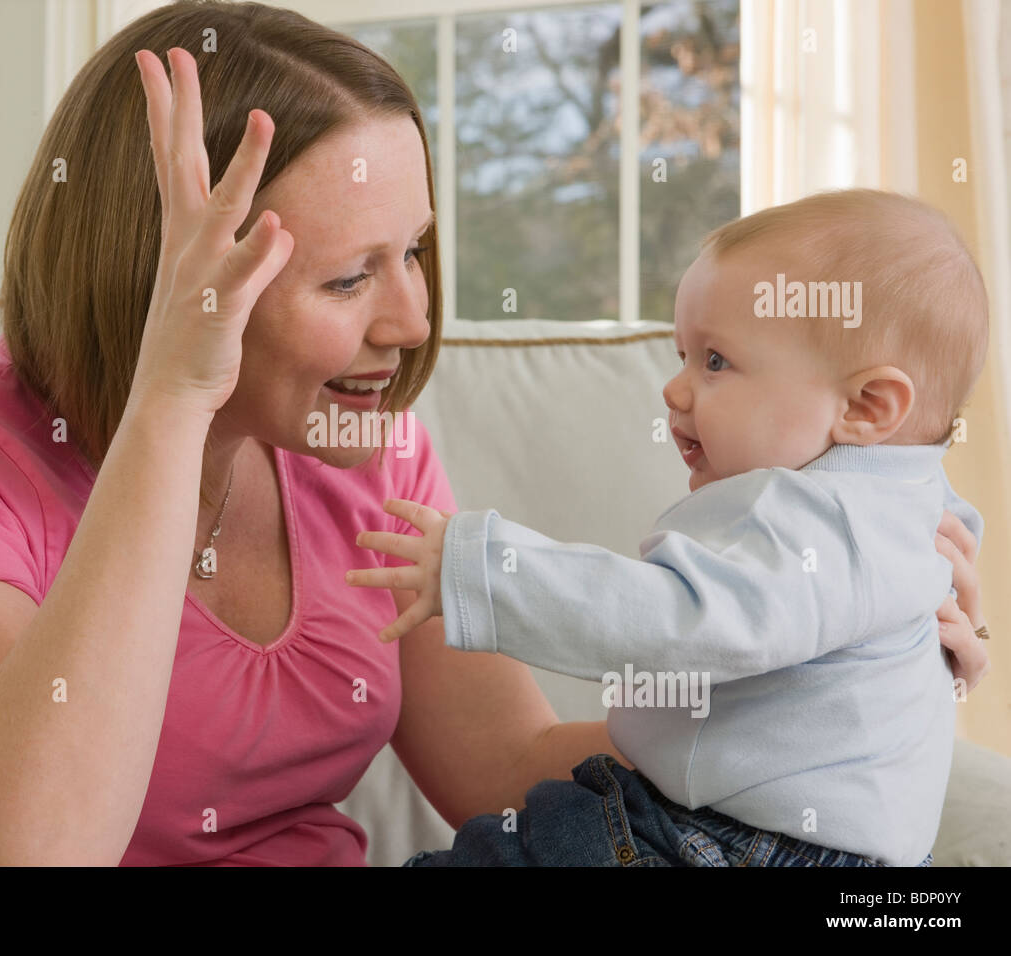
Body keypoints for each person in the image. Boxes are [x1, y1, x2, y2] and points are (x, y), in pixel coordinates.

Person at [0, 1, 990, 866]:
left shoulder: (372, 454)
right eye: (347, 278)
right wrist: (172, 405)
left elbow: (498, 762)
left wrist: (830, 671)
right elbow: (19, 853)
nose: (415, 318)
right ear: (165, 283)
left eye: (414, 252)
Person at [350, 189, 992, 867]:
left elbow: (677, 619)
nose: (674, 391)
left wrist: (484, 569)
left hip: (733, 844)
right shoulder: (912, 509)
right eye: (684, 354)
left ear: (867, 406)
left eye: (715, 362)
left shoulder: (825, 519)